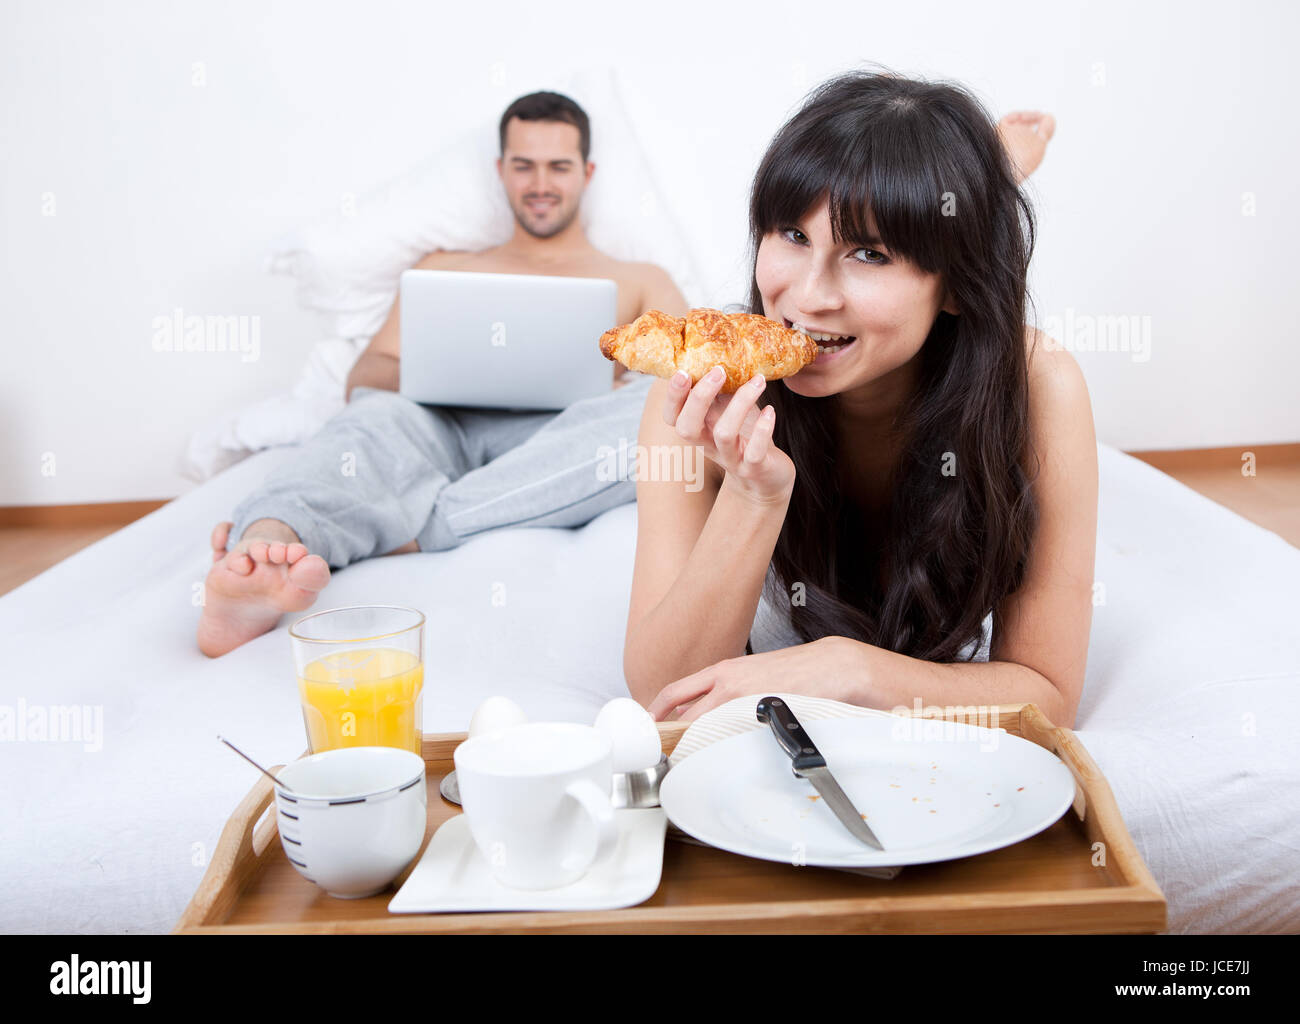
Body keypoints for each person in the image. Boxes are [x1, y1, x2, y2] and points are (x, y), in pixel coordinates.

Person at [626, 71, 1094, 730]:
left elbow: (1046, 692)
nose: (808, 296)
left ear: (958, 284)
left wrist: (851, 671)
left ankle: (993, 172)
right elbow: (666, 695)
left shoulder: (1041, 385)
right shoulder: (703, 379)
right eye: (791, 233)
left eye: (869, 253)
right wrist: (752, 495)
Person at [197, 91, 688, 656]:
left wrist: (616, 383)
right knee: (367, 421)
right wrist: (444, 373)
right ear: (501, 171)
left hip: (566, 442)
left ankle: (427, 524)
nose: (540, 183)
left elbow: (685, 380)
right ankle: (264, 546)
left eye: (559, 166)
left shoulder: (637, 278)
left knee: (660, 417)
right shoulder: (446, 268)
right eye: (524, 166)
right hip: (437, 428)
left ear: (587, 172)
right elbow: (367, 374)